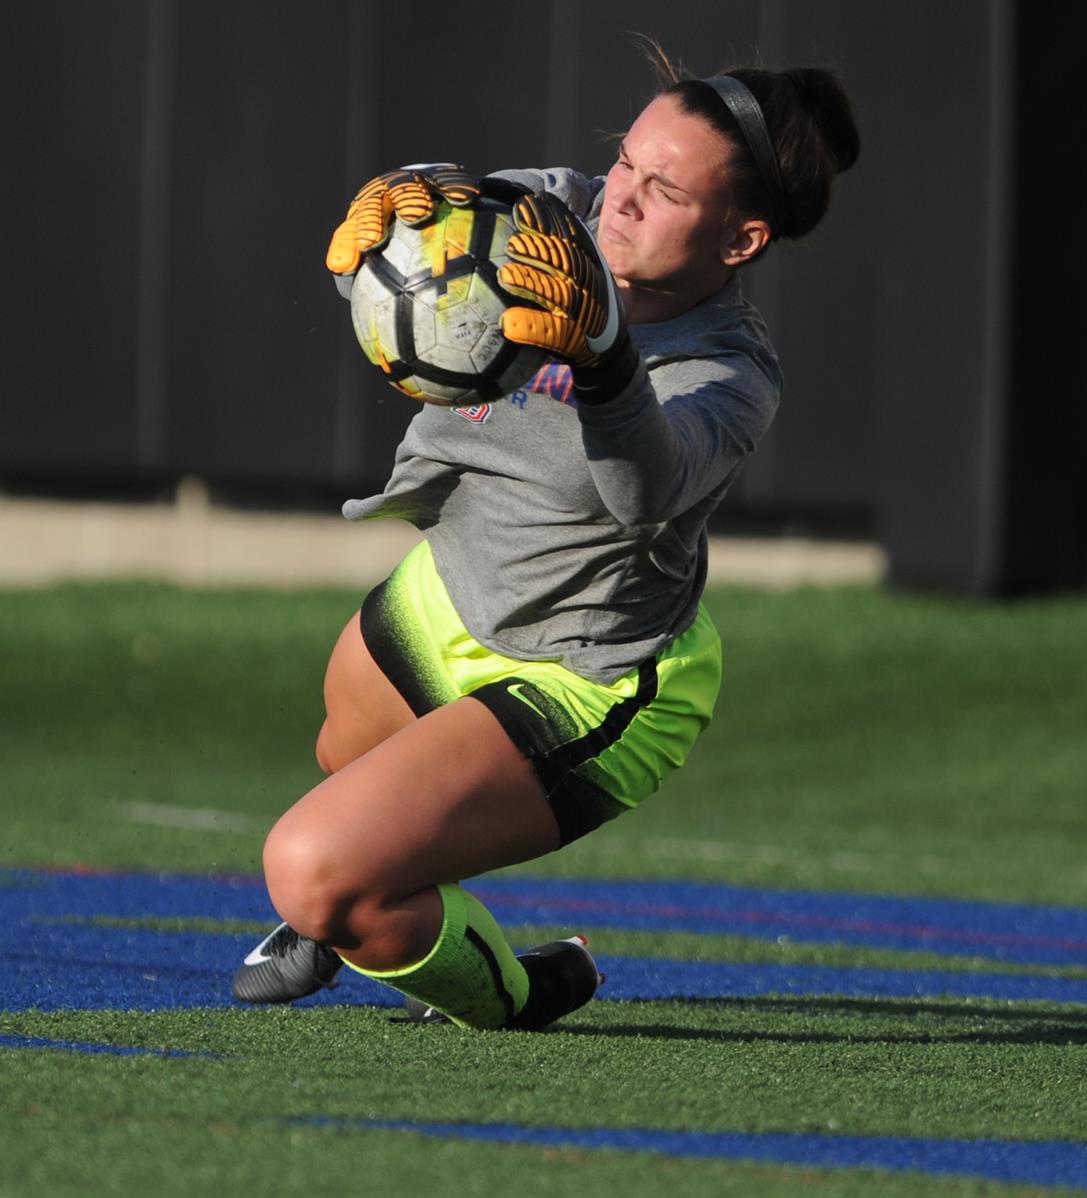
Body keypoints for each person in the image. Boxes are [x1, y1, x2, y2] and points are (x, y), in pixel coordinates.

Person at [230, 50, 861, 1031]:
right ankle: (364, 895)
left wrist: (603, 357)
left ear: (739, 241)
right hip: (453, 587)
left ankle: (526, 986)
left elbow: (645, 491)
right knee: (337, 756)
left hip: (591, 667)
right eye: (626, 163)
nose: (621, 201)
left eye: (663, 190)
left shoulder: (732, 372)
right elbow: (451, 206)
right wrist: (400, 200)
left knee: (314, 870)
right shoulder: (557, 213)